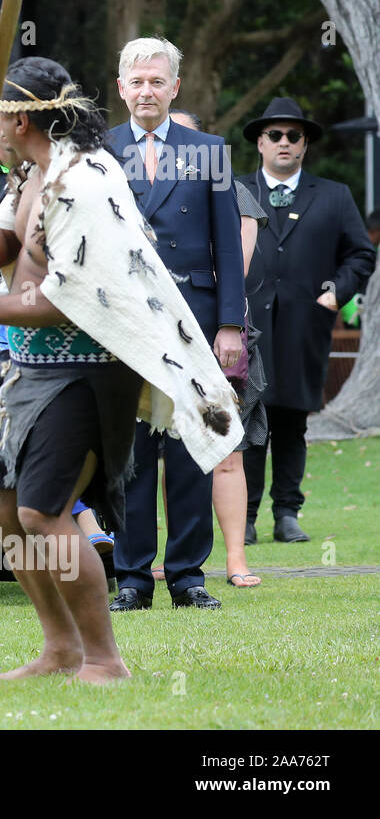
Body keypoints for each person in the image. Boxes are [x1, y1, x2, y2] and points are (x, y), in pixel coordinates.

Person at [0, 57, 242, 681]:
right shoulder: (31, 174)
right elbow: (11, 246)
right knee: (0, 508)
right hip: (30, 371)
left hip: (88, 369)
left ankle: (104, 658)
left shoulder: (88, 182)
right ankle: (60, 648)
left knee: (42, 514)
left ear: (19, 120)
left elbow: (73, 293)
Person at [103, 37, 243, 612]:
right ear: (120, 88)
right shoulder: (100, 149)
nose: (146, 91)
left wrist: (230, 324)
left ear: (175, 87)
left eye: (157, 81)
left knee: (190, 445)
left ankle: (188, 576)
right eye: (136, 81)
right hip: (129, 320)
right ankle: (133, 578)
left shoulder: (209, 151)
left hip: (195, 317)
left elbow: (228, 247)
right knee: (131, 449)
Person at [238, 97, 375, 543]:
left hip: (305, 326)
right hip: (244, 328)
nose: (283, 142)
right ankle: (247, 516)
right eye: (274, 135)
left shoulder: (333, 196)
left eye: (293, 136)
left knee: (292, 421)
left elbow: (360, 253)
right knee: (249, 420)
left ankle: (287, 513)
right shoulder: (234, 193)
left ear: (304, 146)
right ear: (260, 142)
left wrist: (336, 292)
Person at [171, 109, 266, 587]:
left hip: (216, 325)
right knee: (153, 448)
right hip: (158, 324)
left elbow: (238, 259)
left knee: (224, 446)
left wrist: (223, 318)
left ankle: (235, 559)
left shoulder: (222, 176)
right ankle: (148, 564)